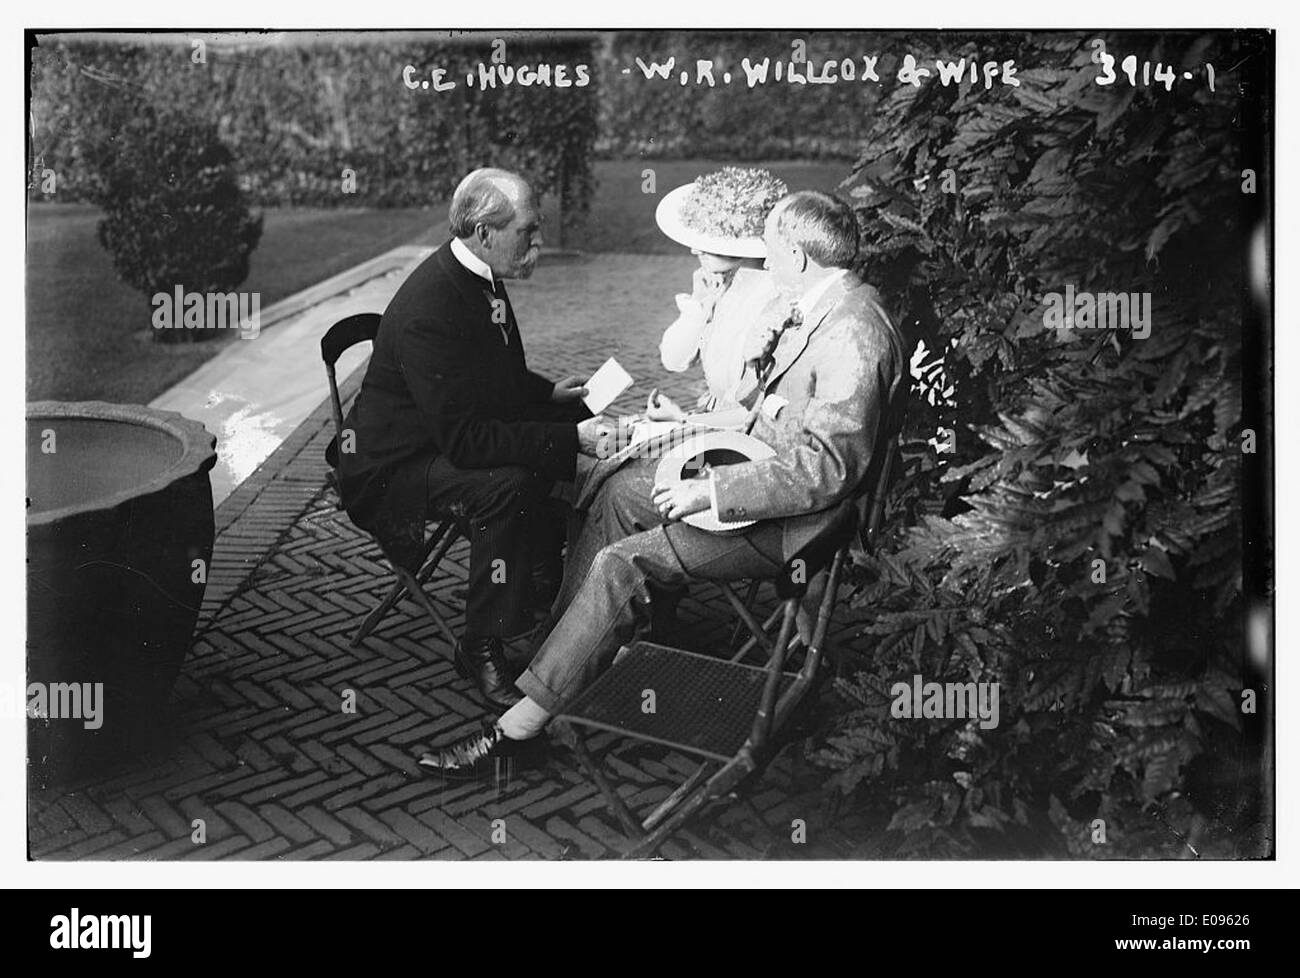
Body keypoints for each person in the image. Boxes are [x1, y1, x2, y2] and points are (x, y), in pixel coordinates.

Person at [419, 189, 907, 772]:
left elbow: (827, 467)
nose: (764, 264)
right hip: (765, 479)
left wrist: (713, 491)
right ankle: (569, 650)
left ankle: (521, 728)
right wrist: (700, 424)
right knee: (622, 489)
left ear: (800, 258)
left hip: (798, 526)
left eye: (770, 252)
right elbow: (782, 416)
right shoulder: (835, 306)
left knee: (621, 562)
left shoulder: (853, 331)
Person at [335, 168, 610, 711]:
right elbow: (465, 440)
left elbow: (491, 375)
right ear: (484, 232)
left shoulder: (479, 273)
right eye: (528, 230)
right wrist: (569, 436)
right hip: (394, 467)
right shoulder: (430, 308)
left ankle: (548, 580)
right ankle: (480, 642)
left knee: (566, 419)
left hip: (437, 435)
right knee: (506, 483)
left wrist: (549, 395)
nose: (538, 241)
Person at [649, 166, 789, 419]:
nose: (694, 250)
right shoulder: (722, 285)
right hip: (714, 417)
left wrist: (683, 420)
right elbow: (674, 359)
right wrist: (699, 307)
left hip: (742, 429)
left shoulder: (775, 297)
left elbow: (756, 404)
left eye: (708, 242)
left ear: (742, 243)